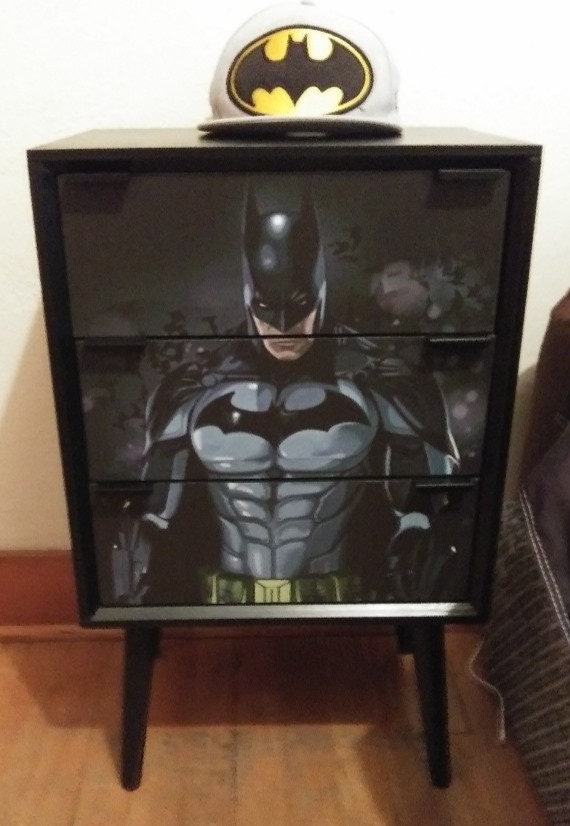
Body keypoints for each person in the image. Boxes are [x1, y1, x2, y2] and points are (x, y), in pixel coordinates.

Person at [112, 182, 460, 605]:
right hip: (223, 598)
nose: (282, 327)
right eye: (265, 309)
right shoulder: (196, 384)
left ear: (320, 293)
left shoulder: (380, 377)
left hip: (336, 598)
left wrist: (417, 558)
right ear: (248, 298)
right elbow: (149, 515)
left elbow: (428, 510)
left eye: (298, 307)